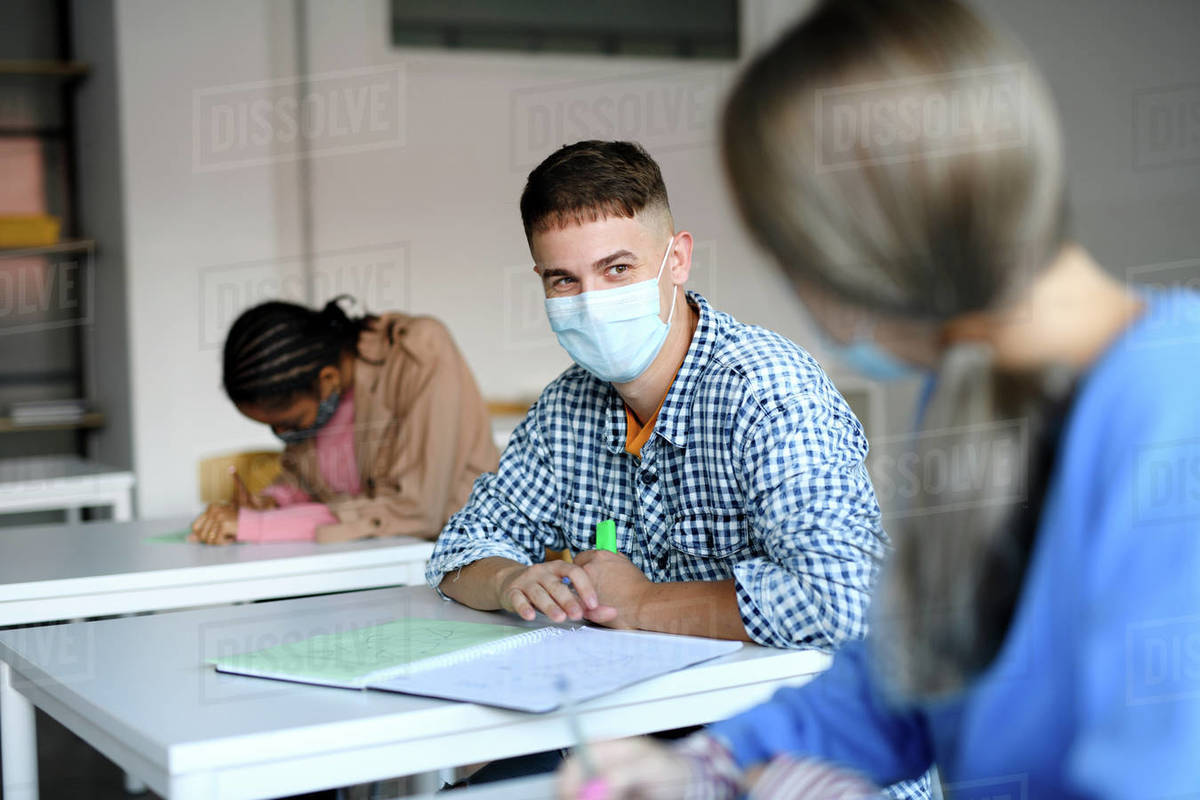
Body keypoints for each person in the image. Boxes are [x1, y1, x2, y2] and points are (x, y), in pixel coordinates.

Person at [557, 0, 1200, 798]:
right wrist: (707, 765)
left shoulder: (1173, 417)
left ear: (859, 247)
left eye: (789, 253)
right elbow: (910, 675)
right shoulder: (977, 389)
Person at [427, 141, 928, 796]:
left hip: (802, 757)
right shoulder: (566, 406)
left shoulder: (766, 390)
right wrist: (513, 581)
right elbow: (458, 550)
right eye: (563, 281)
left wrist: (643, 603)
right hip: (650, 736)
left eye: (616, 269)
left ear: (678, 260)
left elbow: (848, 598)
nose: (590, 301)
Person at [191, 297, 498, 544]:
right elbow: (304, 481)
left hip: (464, 559)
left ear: (327, 379)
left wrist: (260, 527)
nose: (283, 435)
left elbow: (415, 510)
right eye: (273, 428)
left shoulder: (419, 350)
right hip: (366, 562)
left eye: (291, 422)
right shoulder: (321, 397)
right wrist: (272, 503)